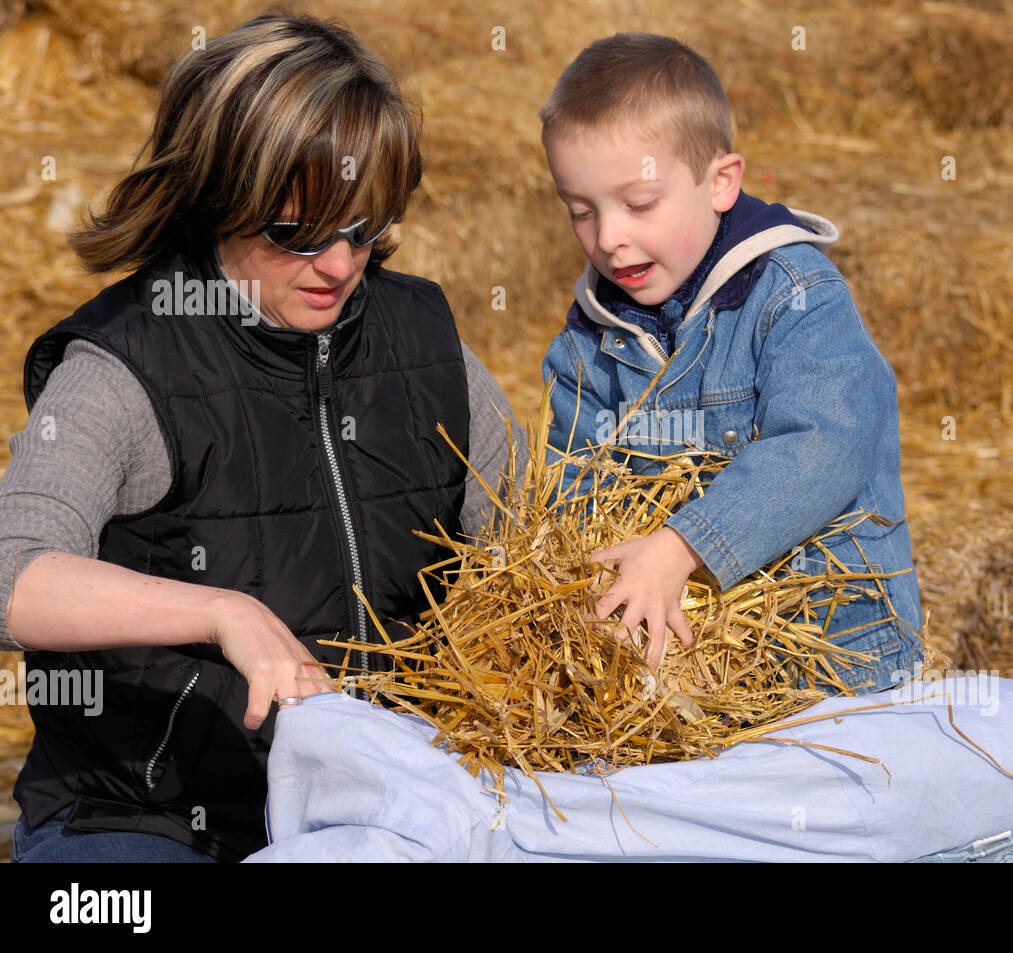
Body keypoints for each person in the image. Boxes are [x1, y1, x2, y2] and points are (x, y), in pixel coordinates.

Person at [0, 13, 521, 862]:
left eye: (364, 228)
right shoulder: (128, 362)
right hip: (146, 811)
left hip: (381, 799)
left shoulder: (423, 340)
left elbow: (528, 542)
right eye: (295, 232)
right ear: (216, 200)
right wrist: (220, 612)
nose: (339, 265)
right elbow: (11, 572)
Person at [539, 33, 924, 690]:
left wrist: (682, 547)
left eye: (638, 205)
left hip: (836, 655)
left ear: (721, 182)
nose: (608, 238)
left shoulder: (794, 297)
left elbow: (829, 442)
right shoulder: (588, 341)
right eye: (581, 212)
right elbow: (573, 477)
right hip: (695, 670)